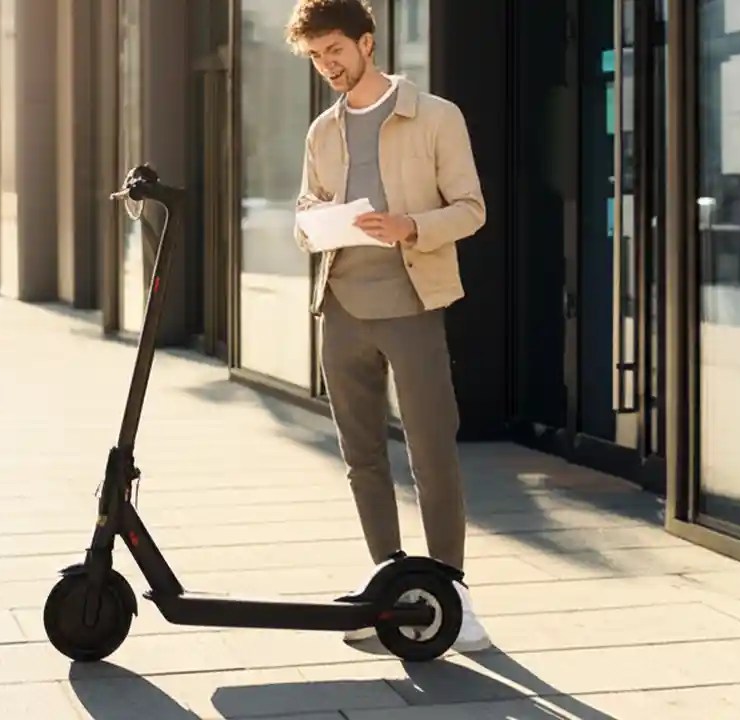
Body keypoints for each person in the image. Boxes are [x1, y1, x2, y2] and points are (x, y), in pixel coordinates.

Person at [284, 0, 490, 653]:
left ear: (366, 43)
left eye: (335, 51)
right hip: (342, 309)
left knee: (432, 453)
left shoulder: (435, 116)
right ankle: (389, 593)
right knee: (362, 458)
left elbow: (471, 209)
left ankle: (451, 595)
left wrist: (410, 226)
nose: (327, 65)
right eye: (316, 57)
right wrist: (313, 224)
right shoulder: (323, 131)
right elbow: (302, 215)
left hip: (412, 305)